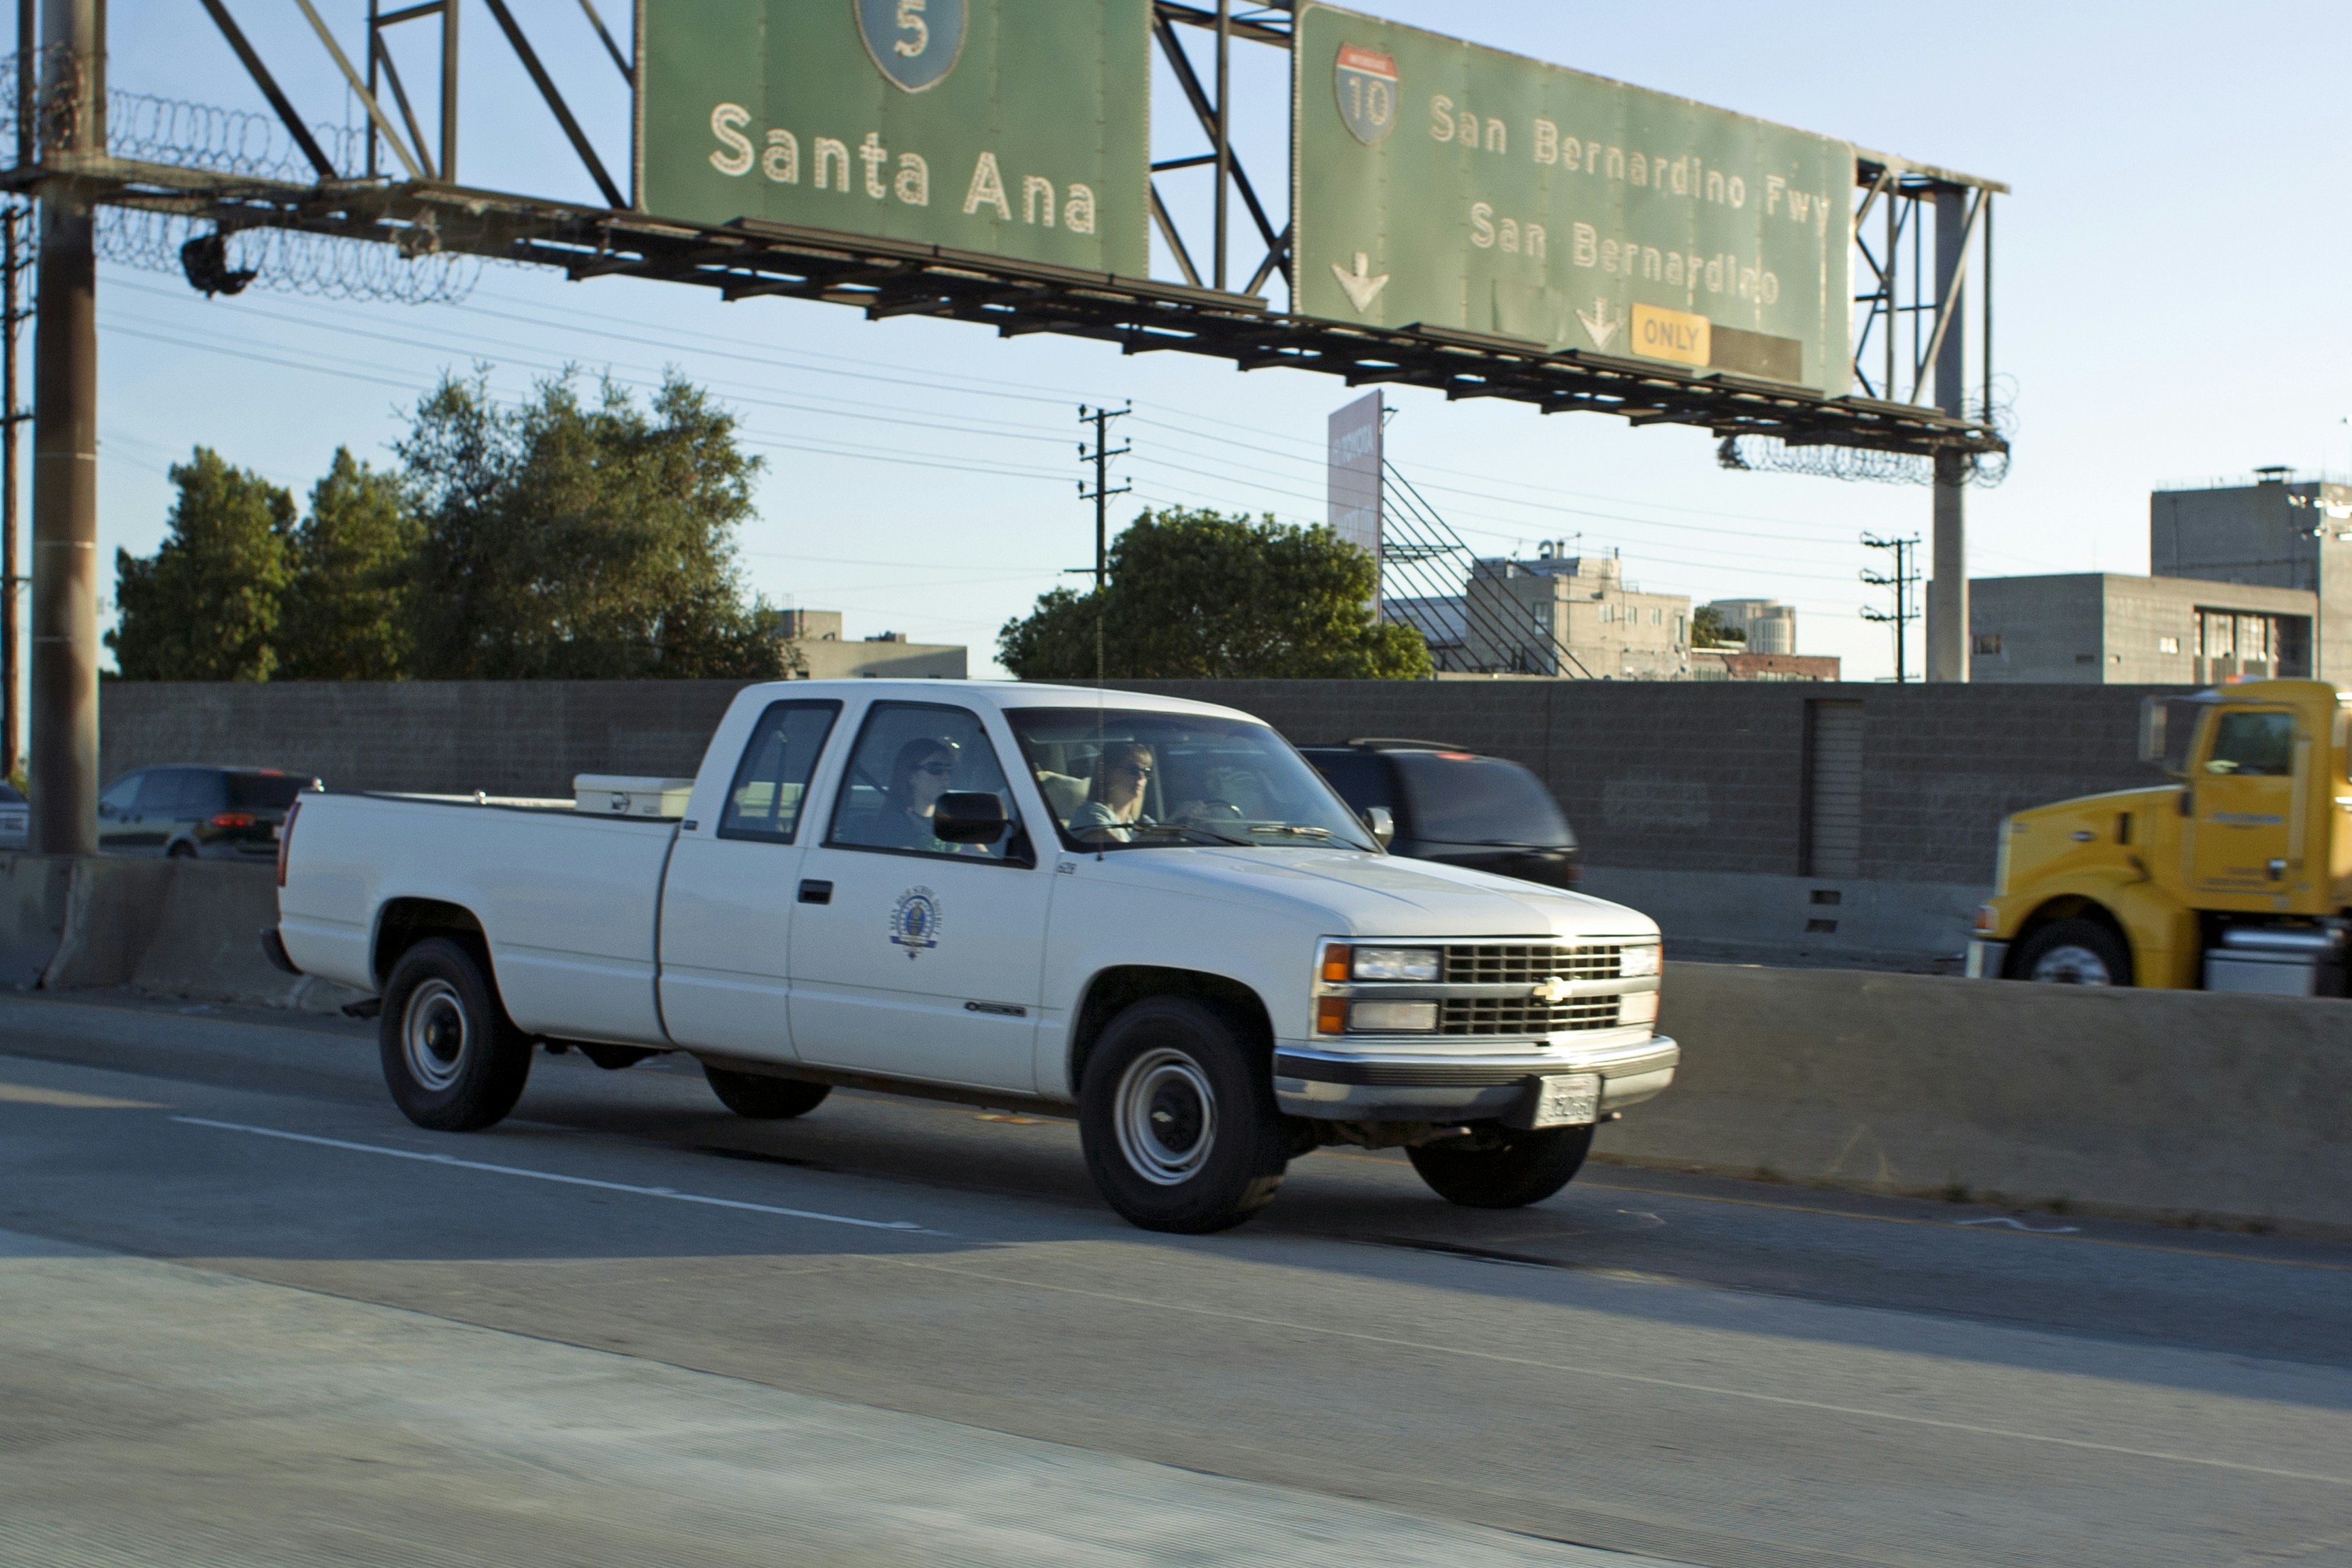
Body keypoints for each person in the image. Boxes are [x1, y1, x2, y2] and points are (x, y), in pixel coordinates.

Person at [879, 737, 961, 851]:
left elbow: (983, 856)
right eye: (935, 769)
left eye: (949, 769)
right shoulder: (894, 826)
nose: (945, 776)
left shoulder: (953, 821)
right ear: (911, 776)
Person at [1071, 742, 1154, 841]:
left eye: (1146, 772)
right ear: (1108, 773)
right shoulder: (1089, 817)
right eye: (1134, 770)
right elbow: (1123, 854)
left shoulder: (1143, 823)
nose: (1141, 777)